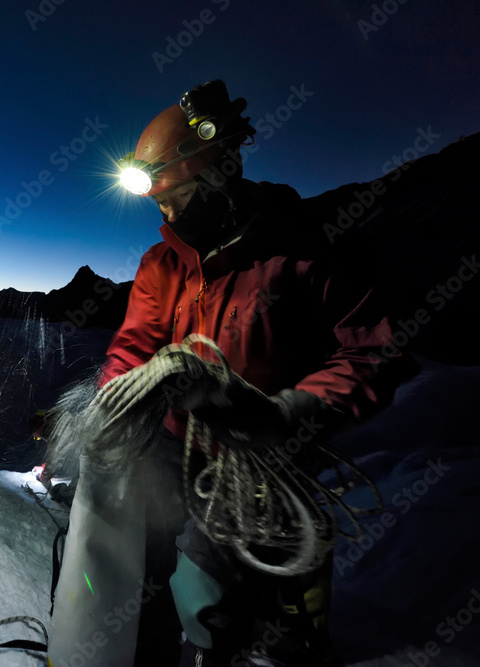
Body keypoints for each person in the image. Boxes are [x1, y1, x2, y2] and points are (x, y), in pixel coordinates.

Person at [97, 80, 415, 665]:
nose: (165, 214)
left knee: (258, 621)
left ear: (220, 173)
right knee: (140, 574)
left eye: (176, 198)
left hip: (267, 463)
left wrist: (287, 412)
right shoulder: (163, 262)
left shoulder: (307, 247)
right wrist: (114, 396)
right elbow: (137, 342)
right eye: (158, 203)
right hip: (174, 450)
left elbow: (374, 351)